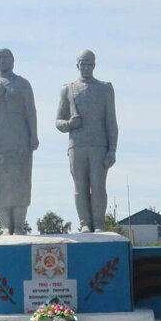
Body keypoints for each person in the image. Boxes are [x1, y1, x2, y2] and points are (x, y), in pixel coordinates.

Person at [55, 49, 118, 232]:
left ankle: (98, 223)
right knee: (80, 186)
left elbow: (111, 122)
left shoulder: (105, 88)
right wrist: (69, 124)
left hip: (99, 145)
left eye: (90, 64)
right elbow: (58, 121)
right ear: (77, 65)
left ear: (95, 65)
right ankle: (84, 223)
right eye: (83, 64)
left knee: (98, 186)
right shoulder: (68, 88)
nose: (86, 67)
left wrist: (112, 149)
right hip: (77, 145)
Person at [0, 48, 38, 235]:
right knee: (0, 182)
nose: (2, 60)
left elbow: (30, 112)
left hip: (19, 139)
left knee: (20, 180)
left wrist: (33, 135)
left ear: (13, 60)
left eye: (6, 57)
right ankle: (6, 226)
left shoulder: (23, 84)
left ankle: (19, 225)